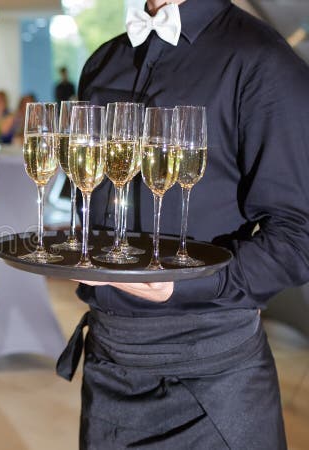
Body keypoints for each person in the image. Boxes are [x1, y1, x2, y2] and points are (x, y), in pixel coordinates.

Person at [57, 1, 309, 448]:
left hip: (213, 385)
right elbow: (88, 203)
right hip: (107, 372)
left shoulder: (261, 59)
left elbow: (298, 238)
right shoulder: (103, 61)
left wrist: (186, 282)